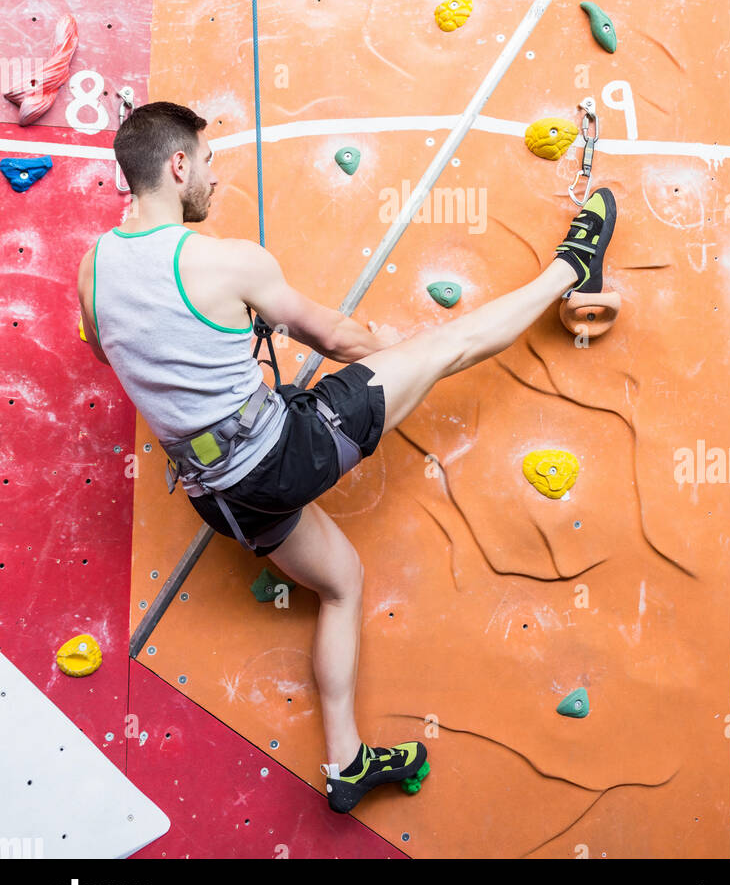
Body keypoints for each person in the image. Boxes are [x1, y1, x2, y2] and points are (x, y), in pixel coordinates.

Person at [77, 102, 616, 814]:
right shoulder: (227, 261)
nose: (214, 176)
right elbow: (337, 337)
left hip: (217, 495)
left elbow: (104, 342)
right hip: (280, 459)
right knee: (445, 348)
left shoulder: (93, 266)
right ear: (177, 166)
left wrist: (200, 346)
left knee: (341, 582)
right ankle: (571, 270)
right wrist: (403, 360)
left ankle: (347, 763)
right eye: (207, 163)